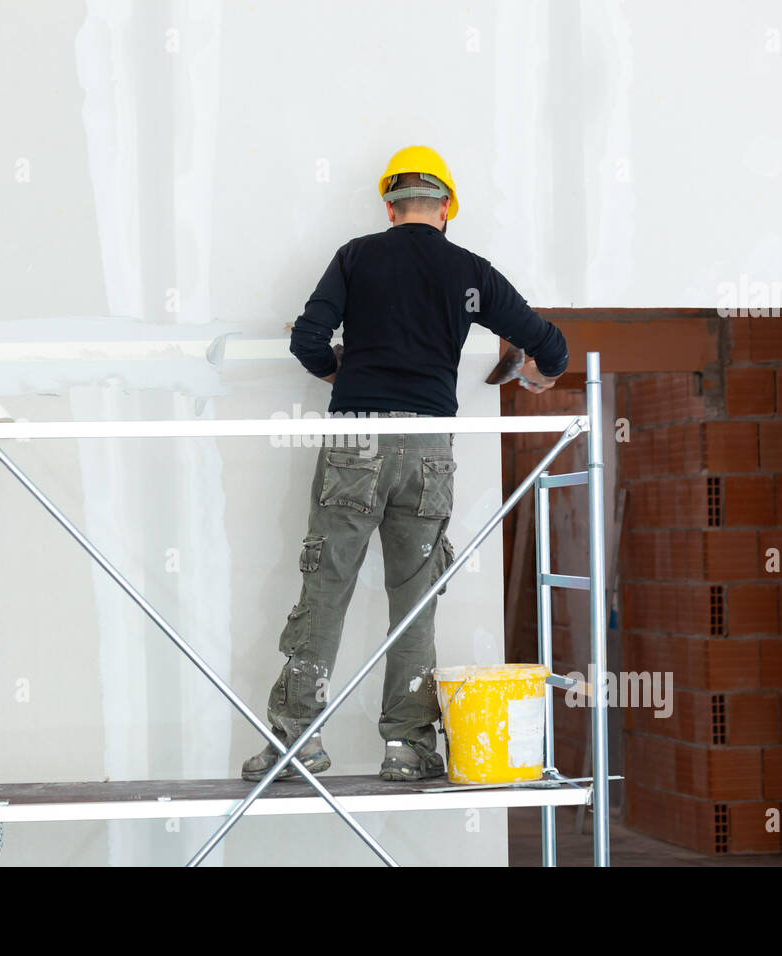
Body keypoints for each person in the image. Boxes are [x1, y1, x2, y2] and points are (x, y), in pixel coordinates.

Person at [241, 145, 569, 783]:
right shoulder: (468, 271)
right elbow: (550, 346)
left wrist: (345, 372)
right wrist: (535, 374)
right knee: (414, 600)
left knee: (326, 587)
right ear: (446, 207)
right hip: (428, 451)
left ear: (389, 207)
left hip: (356, 442)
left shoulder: (356, 257)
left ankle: (295, 741)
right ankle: (408, 748)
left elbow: (307, 340)